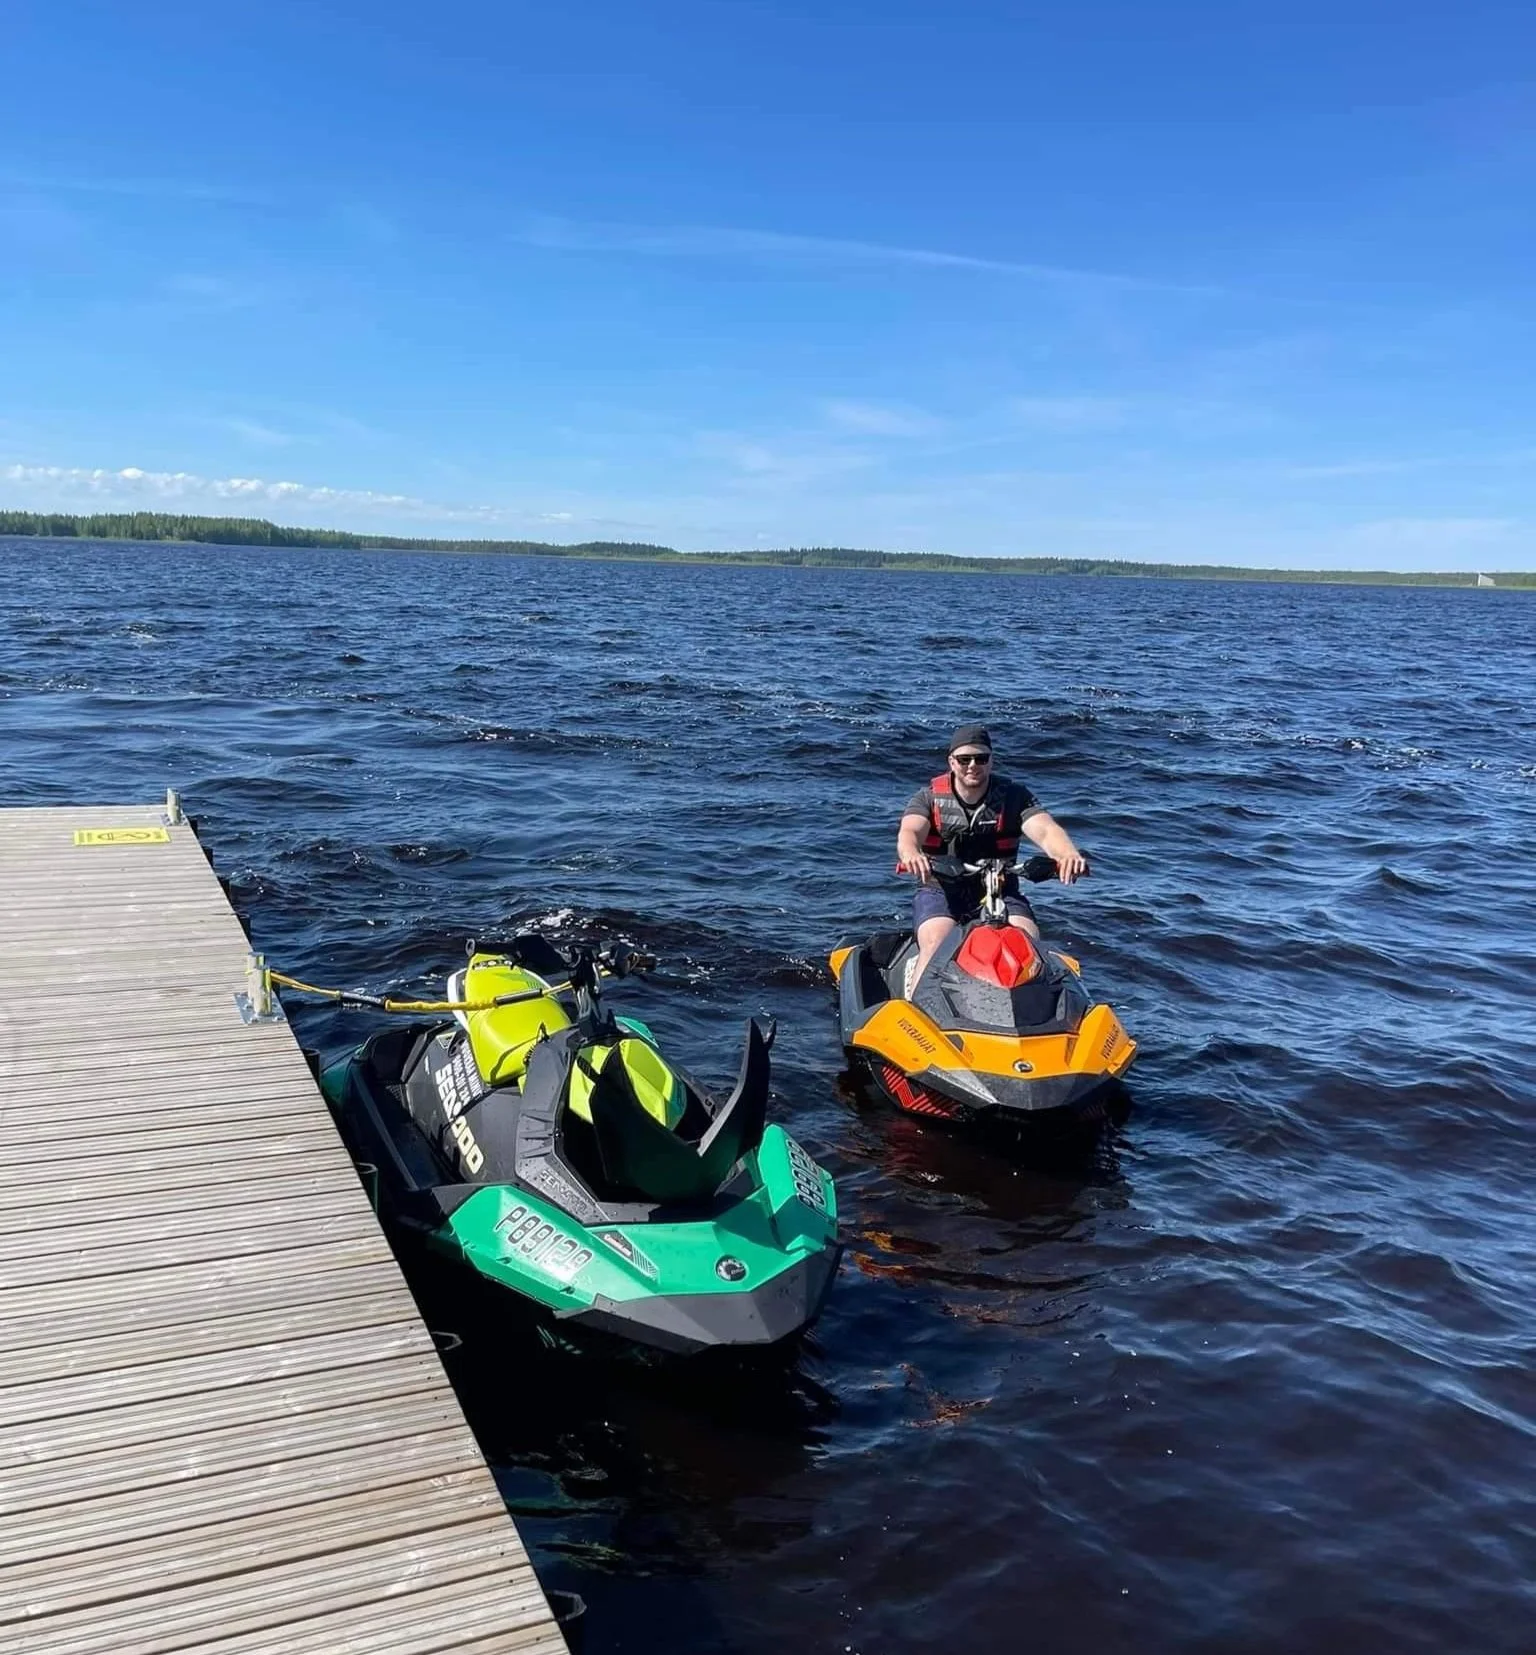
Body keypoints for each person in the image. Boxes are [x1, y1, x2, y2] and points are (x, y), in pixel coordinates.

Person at [896, 724, 1087, 989]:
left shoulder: (1015, 797)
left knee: (1028, 939)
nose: (972, 765)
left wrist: (1067, 854)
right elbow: (910, 831)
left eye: (981, 758)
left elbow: (1045, 830)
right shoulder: (928, 798)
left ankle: (1036, 1014)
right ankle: (917, 1007)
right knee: (936, 941)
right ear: (952, 762)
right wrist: (911, 854)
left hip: (1001, 888)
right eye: (964, 759)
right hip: (941, 888)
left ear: (991, 760)